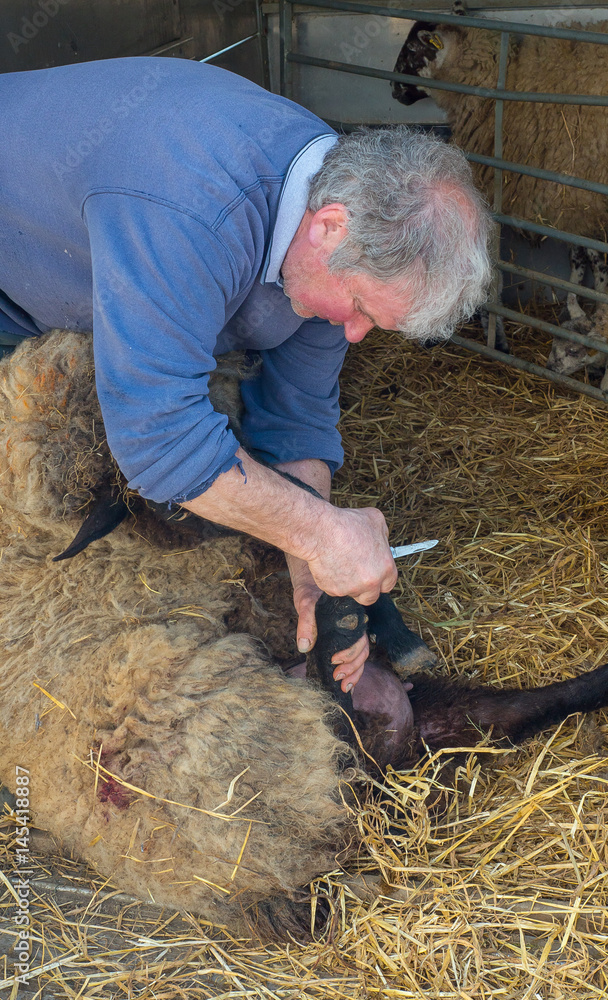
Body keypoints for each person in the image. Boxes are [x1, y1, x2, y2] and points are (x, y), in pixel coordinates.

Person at [0, 57, 492, 691]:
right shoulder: (192, 202)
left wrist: (309, 557)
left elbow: (297, 415)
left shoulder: (334, 225)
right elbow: (158, 438)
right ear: (330, 227)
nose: (354, 333)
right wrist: (319, 530)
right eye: (365, 308)